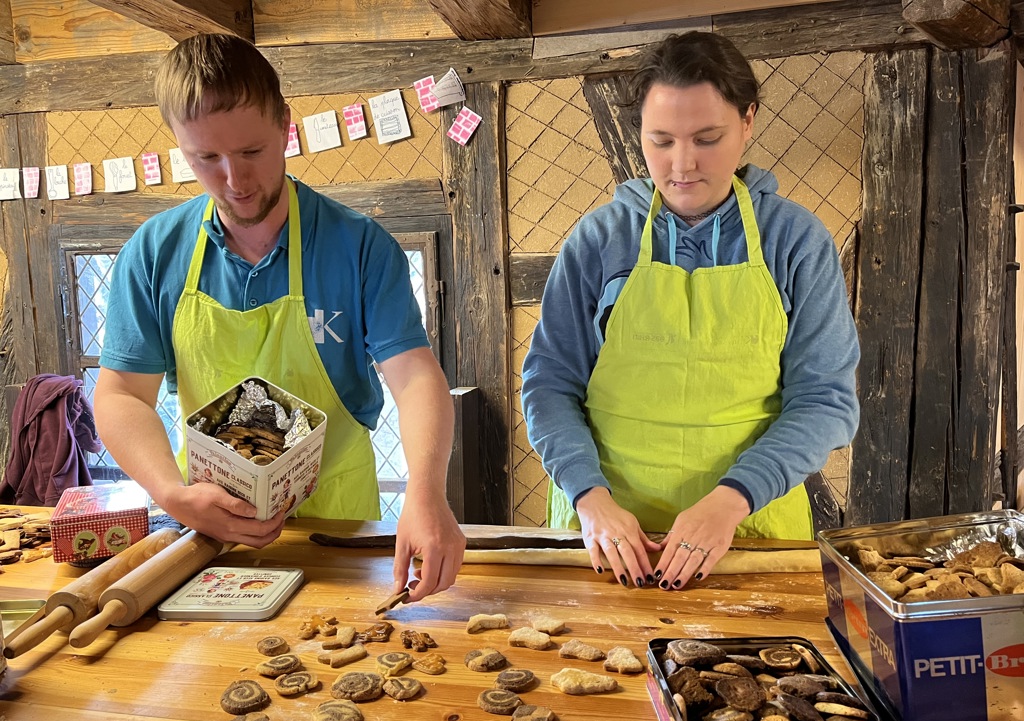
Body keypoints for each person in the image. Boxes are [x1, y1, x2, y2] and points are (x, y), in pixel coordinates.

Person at [93, 34, 465, 603]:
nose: (235, 182)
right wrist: (171, 492)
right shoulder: (153, 252)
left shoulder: (358, 247)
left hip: (337, 527)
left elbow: (414, 376)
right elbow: (120, 395)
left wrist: (427, 492)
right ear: (179, 146)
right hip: (212, 529)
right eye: (206, 159)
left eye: (251, 152)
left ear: (285, 126)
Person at [520, 31, 859, 592]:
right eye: (660, 141)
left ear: (747, 121)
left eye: (707, 138)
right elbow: (550, 383)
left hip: (749, 534)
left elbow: (825, 399)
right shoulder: (600, 239)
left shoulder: (796, 242)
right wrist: (589, 496)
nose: (682, 165)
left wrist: (730, 500)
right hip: (610, 542)